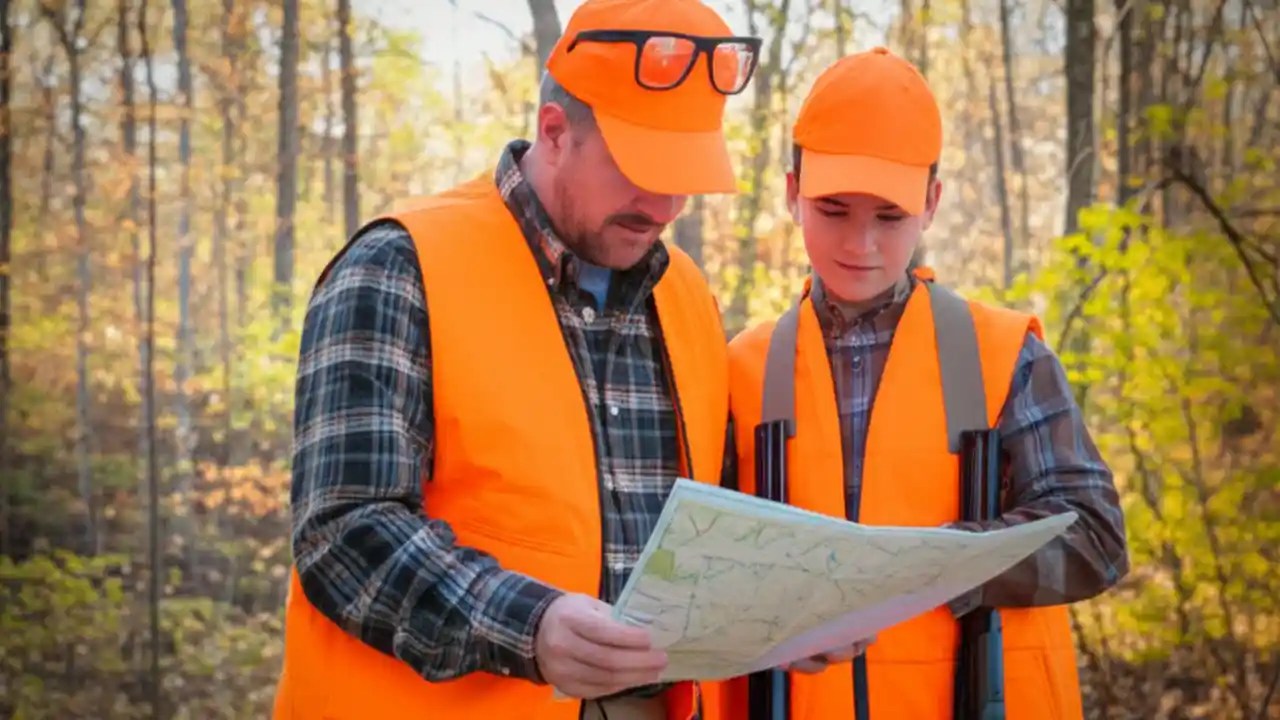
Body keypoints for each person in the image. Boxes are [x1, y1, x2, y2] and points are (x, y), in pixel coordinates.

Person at [269, 1, 773, 719]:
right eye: (638, 166)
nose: (663, 203)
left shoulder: (686, 295)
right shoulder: (398, 265)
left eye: (684, 172)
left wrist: (776, 618)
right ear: (555, 132)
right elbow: (344, 529)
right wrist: (528, 627)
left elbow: (699, 533)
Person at [713, 46, 1130, 720]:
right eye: (833, 208)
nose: (861, 243)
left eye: (889, 216)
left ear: (931, 205)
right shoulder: (740, 368)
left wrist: (937, 563)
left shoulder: (1006, 356)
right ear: (792, 194)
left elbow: (1096, 541)